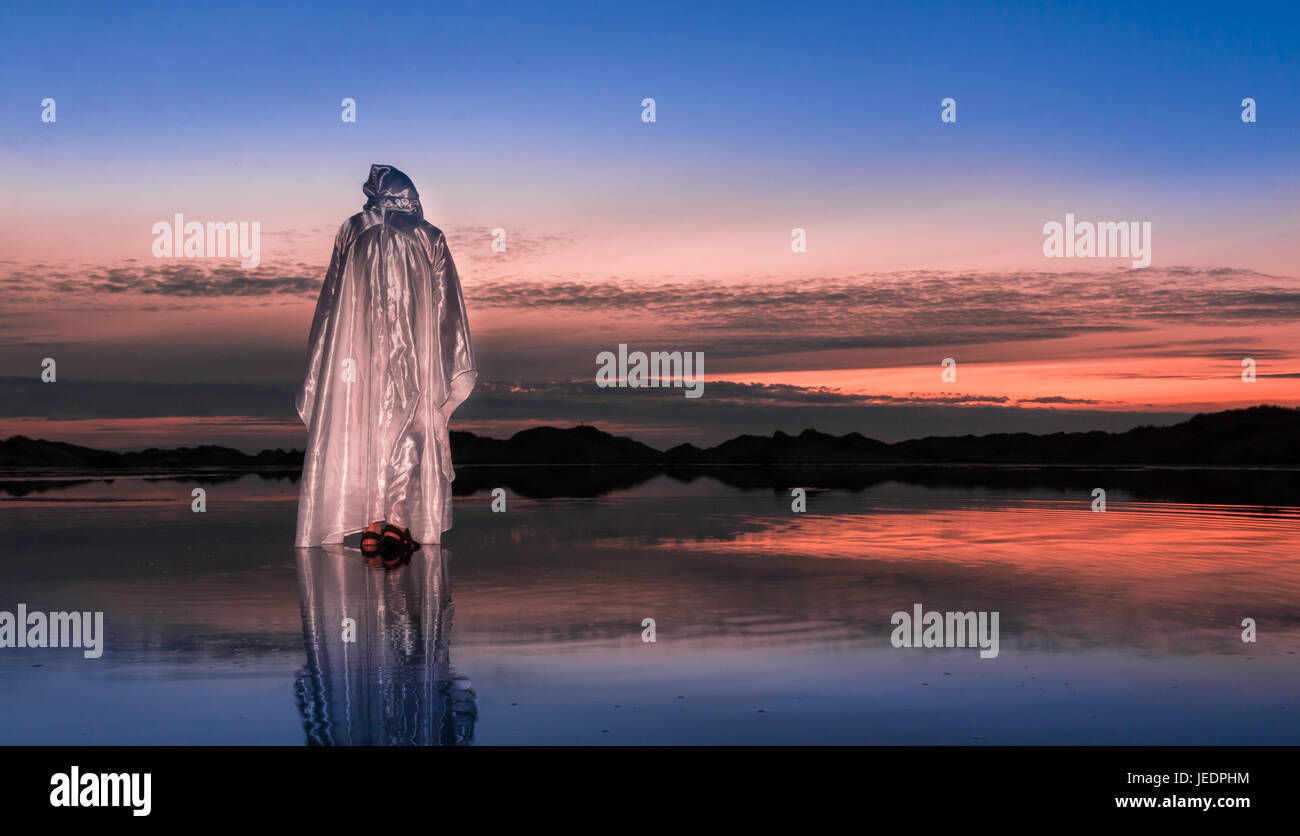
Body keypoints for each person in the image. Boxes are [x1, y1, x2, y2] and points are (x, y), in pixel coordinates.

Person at [294, 164, 477, 557]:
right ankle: (395, 524)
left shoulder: (353, 230)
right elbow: (447, 308)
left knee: (363, 430)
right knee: (409, 432)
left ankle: (372, 526)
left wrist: (325, 361)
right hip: (417, 356)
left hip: (355, 360)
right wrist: (450, 359)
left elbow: (330, 305)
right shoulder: (428, 236)